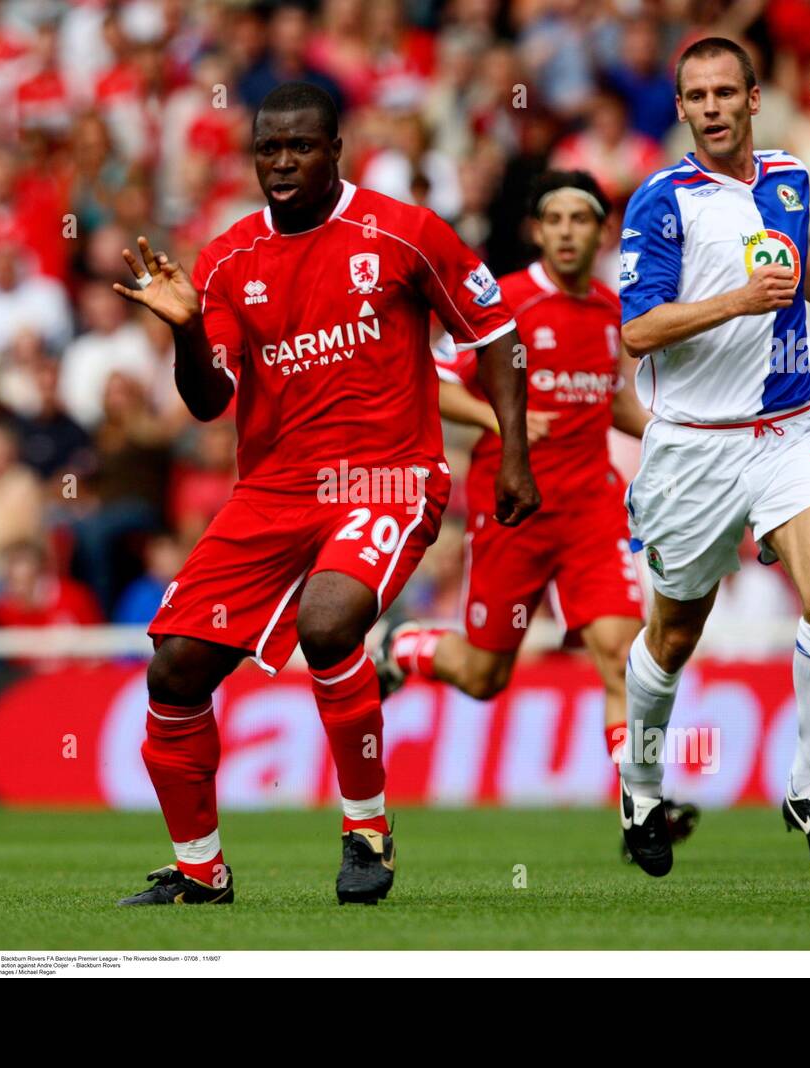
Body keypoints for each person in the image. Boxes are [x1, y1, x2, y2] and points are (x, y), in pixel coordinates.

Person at [110, 81, 538, 906]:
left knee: (328, 621)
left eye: (299, 146)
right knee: (174, 670)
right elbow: (208, 401)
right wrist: (189, 329)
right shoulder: (229, 259)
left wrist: (512, 451)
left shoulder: (403, 231)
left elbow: (495, 332)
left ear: (335, 148)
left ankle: (366, 829)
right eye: (267, 148)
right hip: (272, 489)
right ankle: (201, 872)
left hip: (389, 475)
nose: (281, 162)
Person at [616, 38, 810, 876]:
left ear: (752, 98)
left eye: (723, 92)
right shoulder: (662, 202)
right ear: (681, 107)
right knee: (671, 637)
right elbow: (637, 329)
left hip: (788, 425)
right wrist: (737, 300)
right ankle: (640, 785)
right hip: (693, 448)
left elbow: (793, 259)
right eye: (694, 95)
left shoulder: (789, 176)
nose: (710, 107)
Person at [377, 168, 699, 857]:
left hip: (592, 512)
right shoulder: (505, 301)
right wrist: (507, 420)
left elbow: (611, 402)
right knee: (484, 677)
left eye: (579, 220)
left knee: (623, 655)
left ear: (601, 232)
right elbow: (428, 383)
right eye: (553, 220)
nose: (565, 232)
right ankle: (403, 647)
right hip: (513, 514)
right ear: (536, 230)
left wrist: (684, 438)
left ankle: (640, 805)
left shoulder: (614, 312)